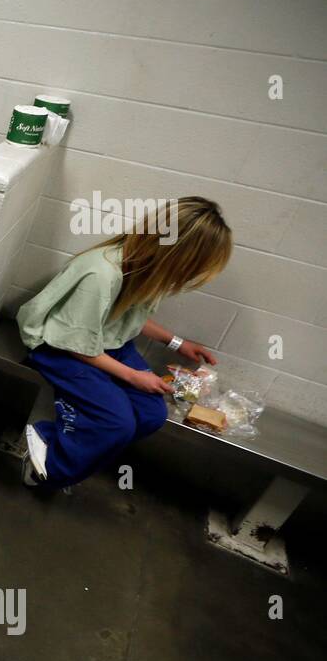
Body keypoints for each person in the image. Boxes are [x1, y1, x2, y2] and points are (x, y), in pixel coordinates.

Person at [15, 197, 233, 490]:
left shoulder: (145, 268)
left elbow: (130, 315)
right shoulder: (102, 274)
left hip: (104, 345)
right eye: (194, 268)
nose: (191, 277)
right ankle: (49, 461)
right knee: (116, 423)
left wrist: (177, 342)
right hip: (58, 348)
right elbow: (73, 344)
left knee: (152, 415)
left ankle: (75, 450)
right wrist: (132, 375)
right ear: (178, 256)